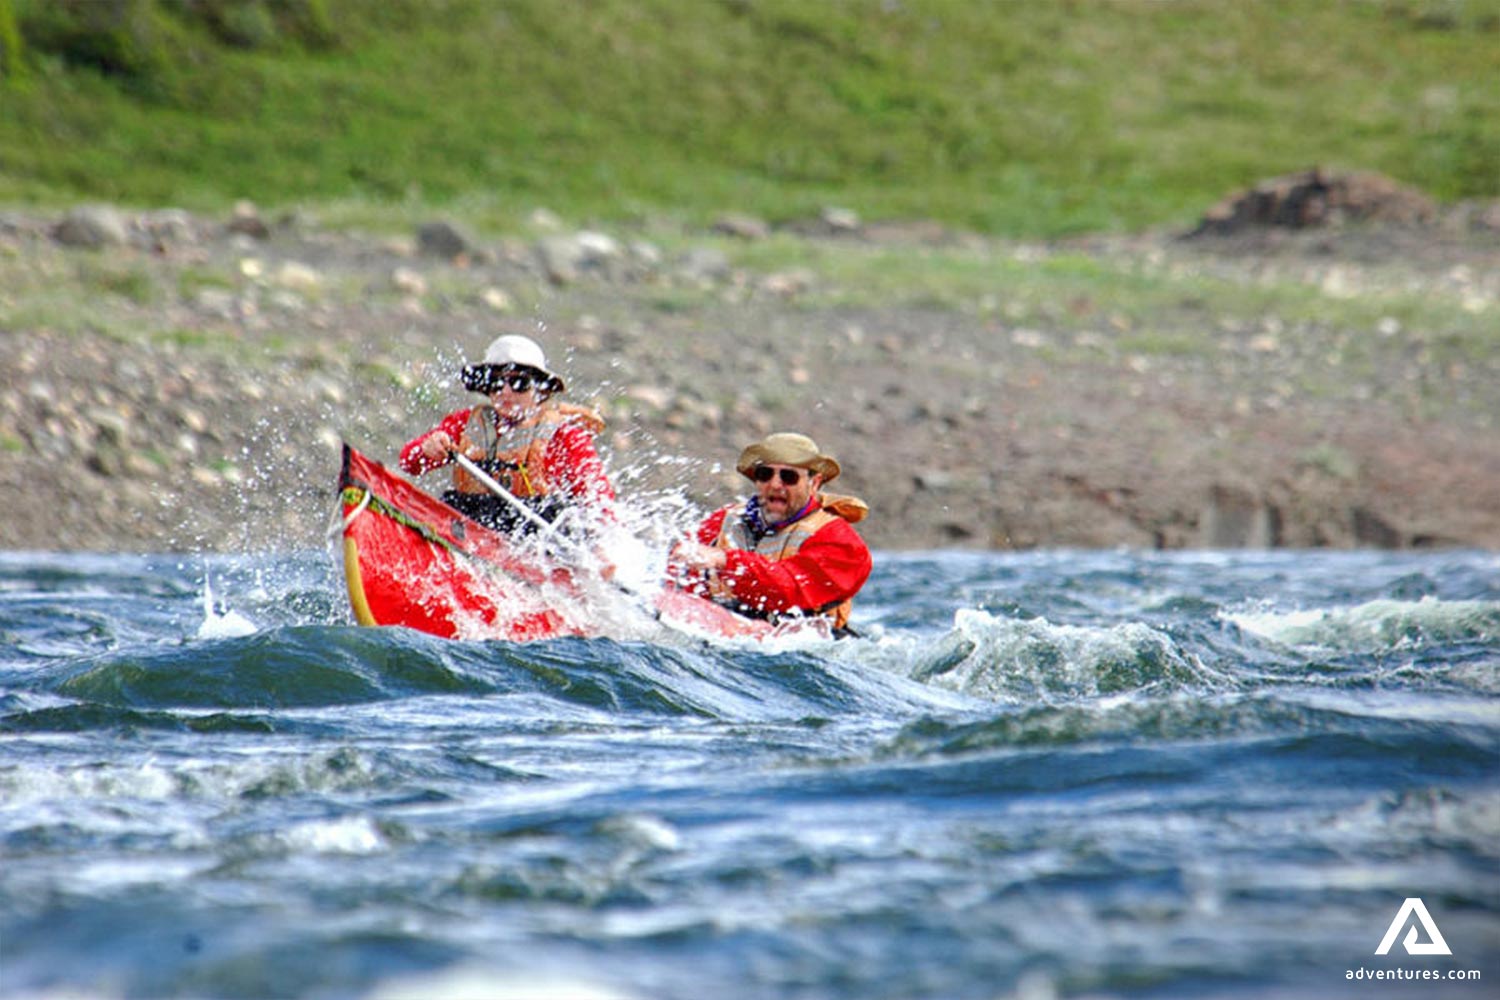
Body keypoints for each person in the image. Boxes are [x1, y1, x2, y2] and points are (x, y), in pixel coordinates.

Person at [400, 334, 615, 537]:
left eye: (519, 383)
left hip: (532, 534)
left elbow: (599, 500)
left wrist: (601, 545)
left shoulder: (565, 436)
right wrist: (427, 449)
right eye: (495, 383)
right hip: (471, 522)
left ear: (539, 390)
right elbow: (409, 462)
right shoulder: (464, 423)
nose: (505, 392)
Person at [669, 431, 871, 634]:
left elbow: (790, 589)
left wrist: (724, 560)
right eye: (765, 474)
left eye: (788, 476)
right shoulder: (722, 521)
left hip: (804, 648)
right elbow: (680, 578)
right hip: (728, 634)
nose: (775, 484)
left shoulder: (842, 542)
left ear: (814, 483)